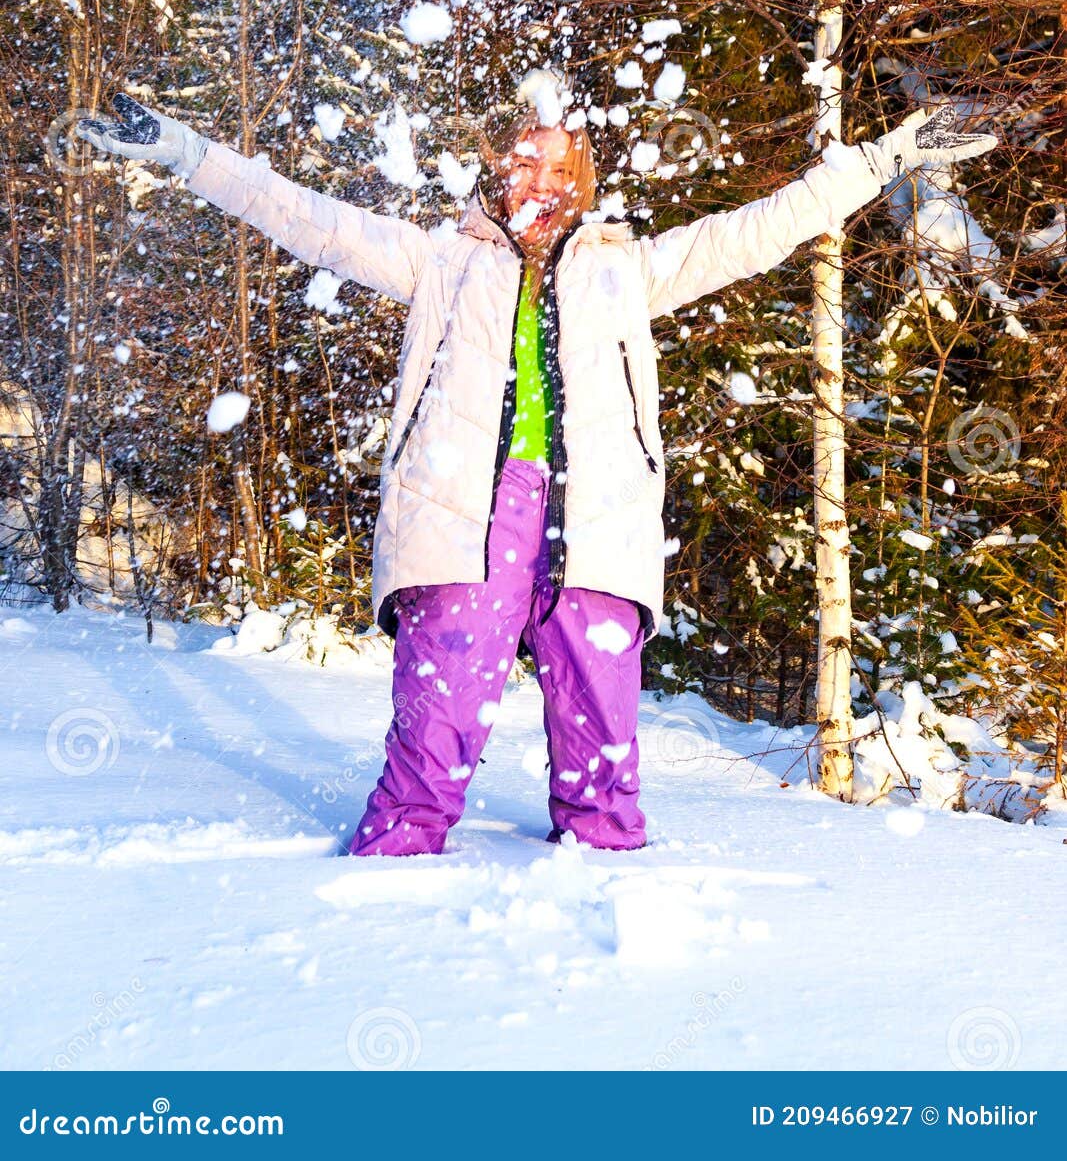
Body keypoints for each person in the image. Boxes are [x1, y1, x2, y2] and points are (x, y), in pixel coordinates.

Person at [78, 84, 998, 855]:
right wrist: (185, 150)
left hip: (597, 522)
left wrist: (887, 157)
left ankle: (601, 915)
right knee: (433, 732)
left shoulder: (626, 270)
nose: (545, 186)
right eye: (527, 163)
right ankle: (382, 898)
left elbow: (762, 228)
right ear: (492, 168)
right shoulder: (438, 260)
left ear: (586, 182)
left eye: (565, 171)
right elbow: (302, 217)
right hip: (462, 514)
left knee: (602, 740)